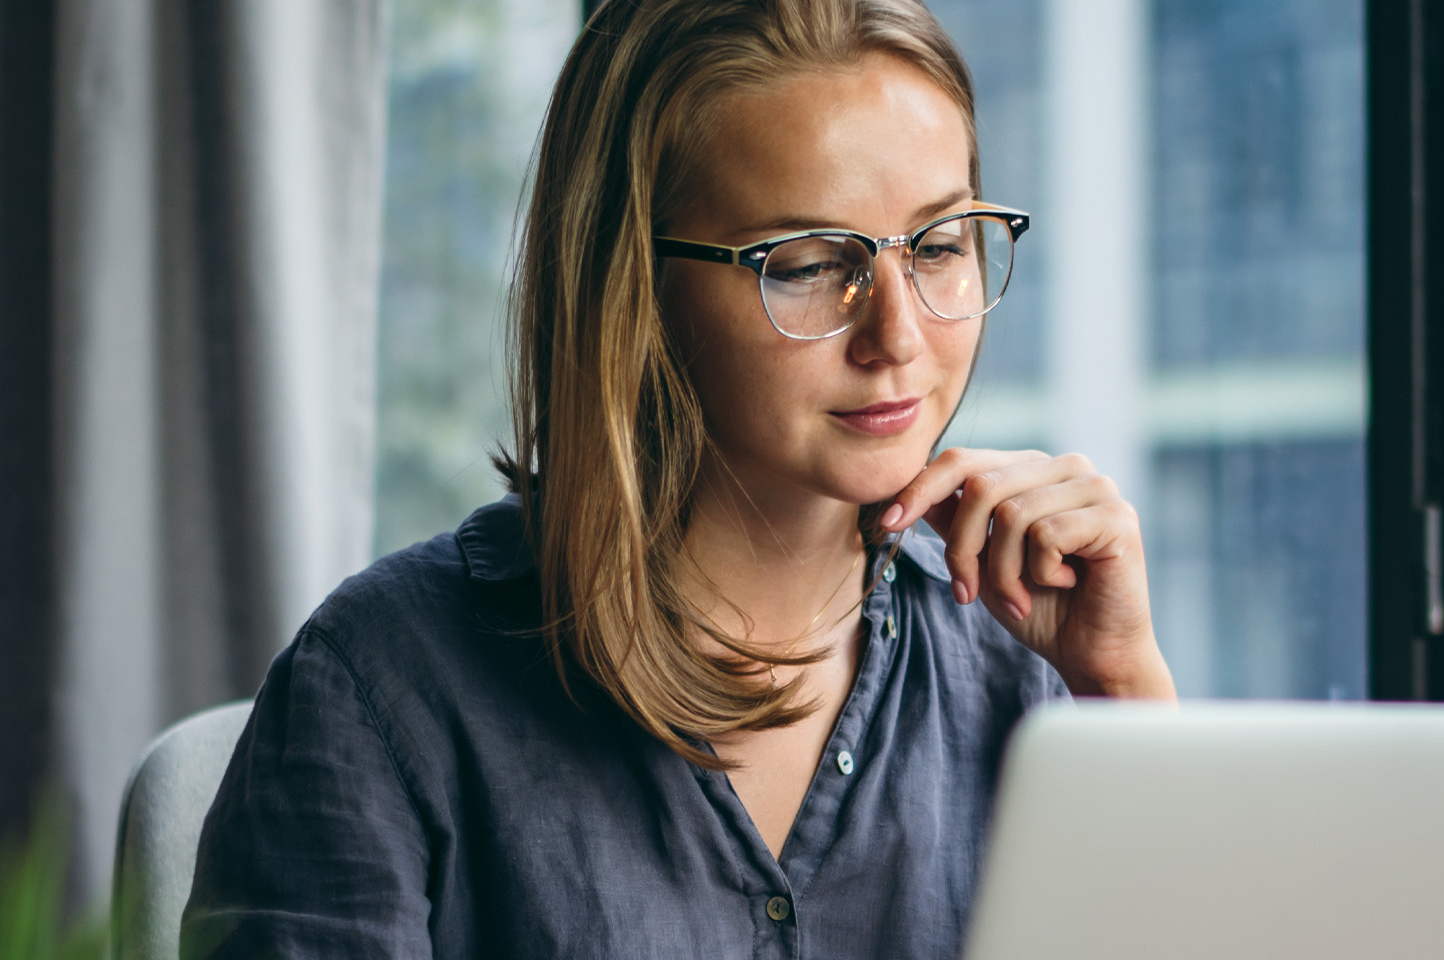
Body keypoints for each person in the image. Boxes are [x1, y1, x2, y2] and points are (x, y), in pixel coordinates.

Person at [178, 1, 1174, 956]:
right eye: (806, 263)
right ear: (634, 286)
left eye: (941, 246)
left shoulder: (1034, 671)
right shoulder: (380, 691)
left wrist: (1125, 688)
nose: (898, 336)